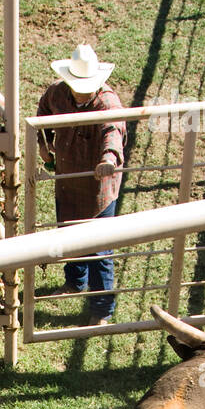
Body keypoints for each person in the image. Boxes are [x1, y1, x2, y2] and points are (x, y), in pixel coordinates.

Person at [37, 44, 127, 325]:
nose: (79, 91)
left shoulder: (107, 104)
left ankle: (101, 310)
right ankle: (76, 282)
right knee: (69, 233)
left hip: (98, 188)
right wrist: (44, 142)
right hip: (68, 179)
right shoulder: (57, 93)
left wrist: (108, 159)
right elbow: (42, 113)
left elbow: (113, 133)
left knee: (100, 249)